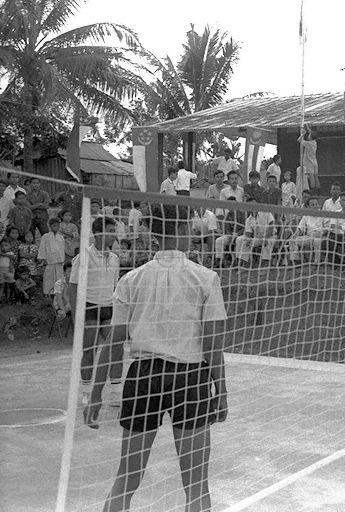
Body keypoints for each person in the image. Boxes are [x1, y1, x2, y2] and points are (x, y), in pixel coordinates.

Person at [83, 204, 228, 512]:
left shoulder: (131, 279)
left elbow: (113, 343)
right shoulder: (205, 277)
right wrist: (222, 391)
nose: (192, 235)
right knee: (196, 485)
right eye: (189, 228)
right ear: (178, 231)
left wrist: (95, 395)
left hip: (143, 377)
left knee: (127, 478)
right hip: (189, 378)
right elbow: (213, 344)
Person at [70, 217, 121, 407]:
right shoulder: (84, 256)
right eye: (110, 230)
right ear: (98, 233)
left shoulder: (115, 258)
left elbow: (115, 287)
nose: (114, 234)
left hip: (108, 308)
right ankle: (86, 391)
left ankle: (116, 392)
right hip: (90, 308)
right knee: (89, 351)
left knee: (116, 349)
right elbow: (73, 287)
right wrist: (77, 316)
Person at [288, 197, 326, 264]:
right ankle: (295, 260)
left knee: (317, 241)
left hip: (320, 236)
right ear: (308, 207)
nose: (315, 206)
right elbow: (300, 227)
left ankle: (317, 263)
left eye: (316, 204)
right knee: (292, 240)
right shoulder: (306, 216)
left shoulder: (323, 214)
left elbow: (327, 228)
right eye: (312, 205)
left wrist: (321, 233)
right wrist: (295, 234)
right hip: (308, 237)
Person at [38, 217, 66, 296]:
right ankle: (47, 292)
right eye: (54, 226)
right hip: (49, 260)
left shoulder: (61, 237)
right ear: (50, 226)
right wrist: (42, 258)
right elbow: (42, 248)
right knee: (49, 277)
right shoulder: (45, 237)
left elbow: (62, 248)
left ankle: (59, 292)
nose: (56, 228)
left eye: (58, 226)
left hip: (59, 260)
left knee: (59, 277)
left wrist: (62, 258)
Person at [299, 124, 320, 191]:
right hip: (314, 161)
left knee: (311, 176)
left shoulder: (308, 143)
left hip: (310, 162)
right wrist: (307, 127)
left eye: (309, 135)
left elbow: (299, 140)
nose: (308, 135)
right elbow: (311, 132)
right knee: (316, 176)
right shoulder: (314, 142)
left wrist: (302, 134)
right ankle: (318, 190)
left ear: (310, 137)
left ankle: (313, 190)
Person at [0, 238, 16, 303]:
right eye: (2, 246)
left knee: (9, 285)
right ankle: (1, 298)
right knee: (2, 285)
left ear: (10, 246)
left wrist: (11, 267)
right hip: (1, 270)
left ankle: (9, 298)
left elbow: (12, 260)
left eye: (6, 245)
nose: (4, 247)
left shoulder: (11, 253)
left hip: (8, 270)